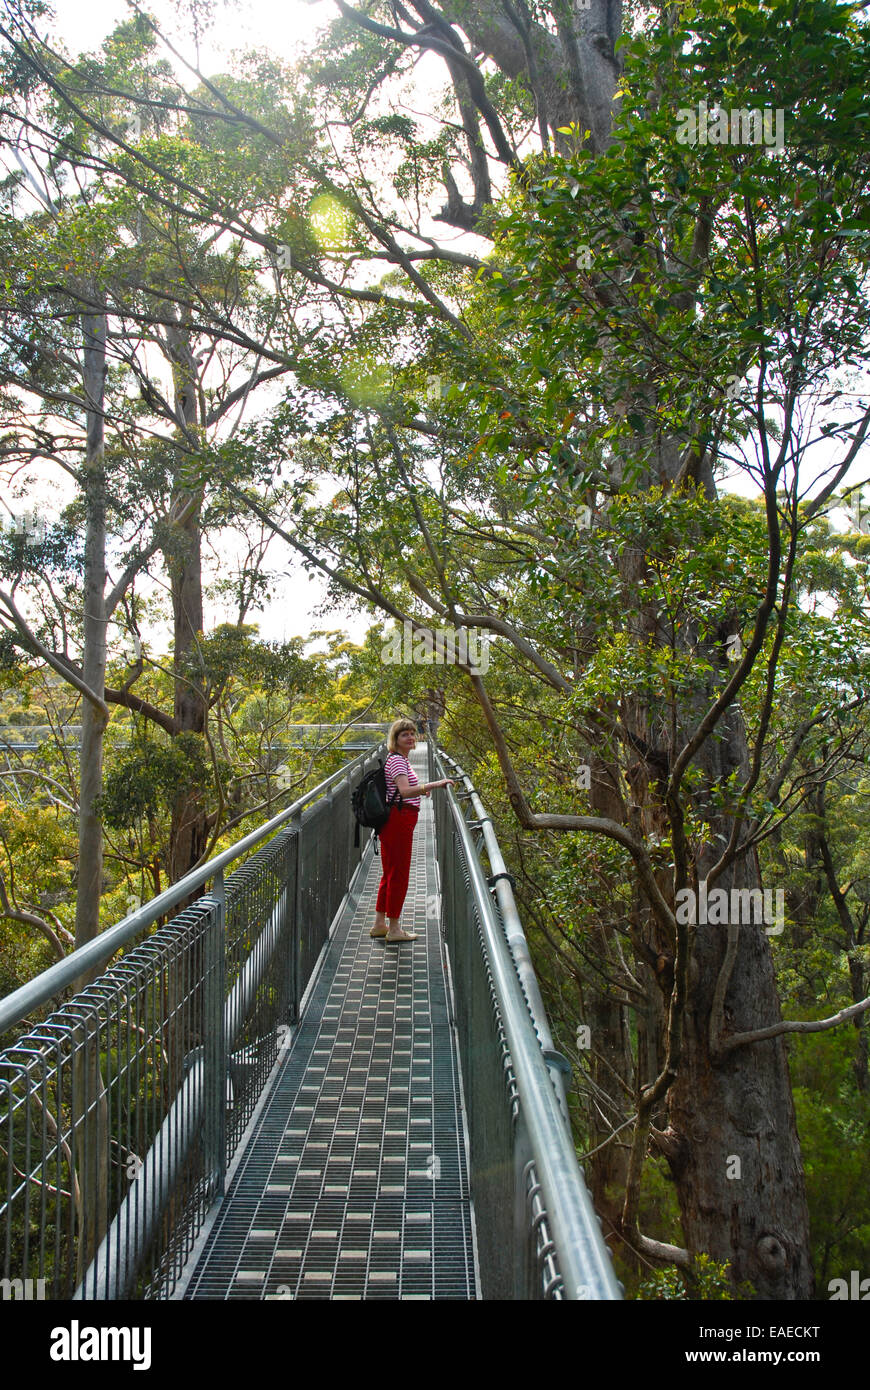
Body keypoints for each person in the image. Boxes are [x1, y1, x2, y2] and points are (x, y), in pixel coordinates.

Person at [370, 718, 453, 943]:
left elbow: (403, 790)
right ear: (395, 739)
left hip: (396, 819)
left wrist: (421, 790)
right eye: (404, 734)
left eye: (412, 734)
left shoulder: (398, 760)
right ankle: (395, 929)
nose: (410, 738)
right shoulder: (397, 761)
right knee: (399, 874)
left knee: (390, 872)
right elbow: (405, 791)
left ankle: (380, 923)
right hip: (399, 819)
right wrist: (433, 785)